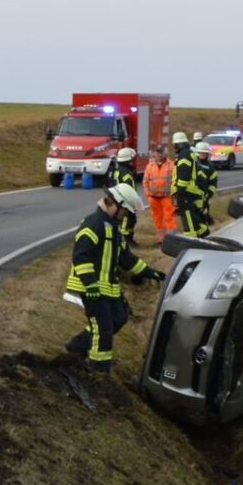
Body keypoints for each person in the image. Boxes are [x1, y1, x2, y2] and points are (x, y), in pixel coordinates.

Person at [65, 184, 165, 373]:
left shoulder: (112, 227)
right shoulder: (93, 224)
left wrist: (149, 271)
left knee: (118, 318)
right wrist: (90, 284)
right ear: (115, 204)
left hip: (107, 287)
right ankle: (98, 369)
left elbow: (125, 258)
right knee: (102, 330)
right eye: (125, 211)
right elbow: (81, 257)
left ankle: (78, 346)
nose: (125, 216)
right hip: (92, 288)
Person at [171, 131, 209, 236]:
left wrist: (180, 196)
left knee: (190, 225)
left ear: (178, 144)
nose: (174, 148)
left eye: (175, 145)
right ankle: (206, 236)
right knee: (195, 222)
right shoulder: (189, 153)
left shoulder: (184, 156)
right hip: (193, 194)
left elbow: (183, 178)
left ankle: (192, 245)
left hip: (187, 194)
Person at [105, 147, 139, 243]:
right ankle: (125, 240)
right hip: (125, 200)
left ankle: (127, 239)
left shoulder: (118, 170)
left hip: (118, 198)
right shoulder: (126, 172)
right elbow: (128, 187)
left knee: (126, 220)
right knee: (127, 220)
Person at [143, 144, 177, 237]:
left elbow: (176, 180)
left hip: (167, 197)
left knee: (169, 217)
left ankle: (172, 238)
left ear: (164, 153)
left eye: (161, 152)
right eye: (157, 153)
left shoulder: (172, 165)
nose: (159, 155)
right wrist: (148, 195)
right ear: (155, 154)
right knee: (157, 219)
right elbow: (145, 182)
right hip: (153, 198)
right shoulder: (150, 166)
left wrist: (174, 195)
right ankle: (160, 239)